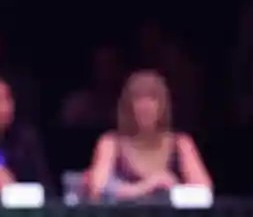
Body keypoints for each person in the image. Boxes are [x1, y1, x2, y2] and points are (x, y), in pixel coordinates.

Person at [85, 69, 211, 201]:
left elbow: (204, 191)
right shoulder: (111, 143)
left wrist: (175, 189)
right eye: (138, 99)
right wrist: (146, 186)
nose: (145, 106)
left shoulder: (181, 143)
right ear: (128, 105)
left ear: (163, 105)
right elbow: (97, 190)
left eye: (152, 98)